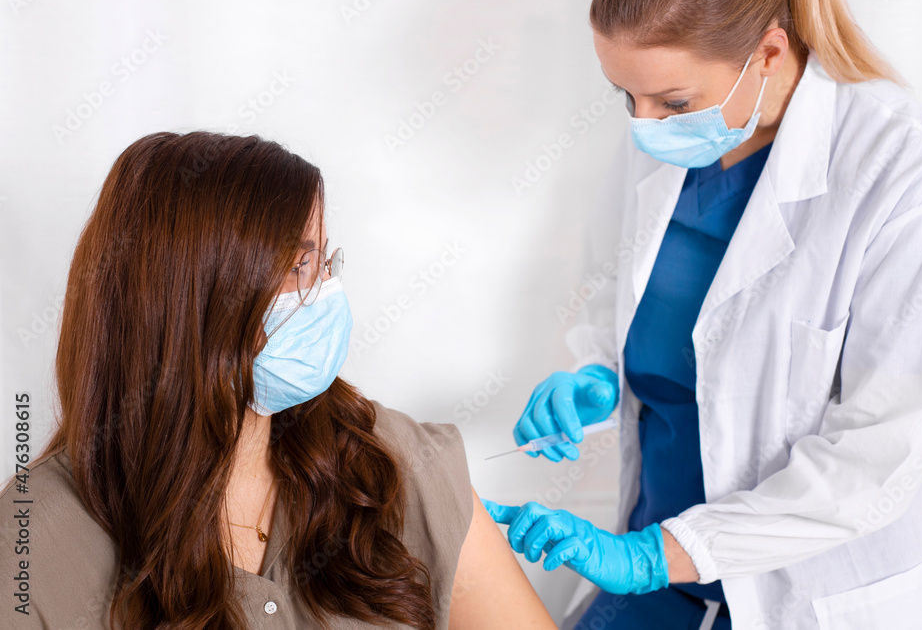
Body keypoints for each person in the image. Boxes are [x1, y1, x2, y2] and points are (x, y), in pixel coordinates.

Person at [483, 0, 922, 628]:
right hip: (653, 564)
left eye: (672, 103)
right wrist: (599, 372)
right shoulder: (672, 134)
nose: (644, 126)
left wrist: (664, 553)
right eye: (627, 97)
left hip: (803, 589)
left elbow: (881, 450)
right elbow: (620, 288)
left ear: (768, 53)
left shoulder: (901, 171)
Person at [0, 131, 559, 629]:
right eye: (296, 266)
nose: (325, 292)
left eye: (321, 262)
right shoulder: (33, 542)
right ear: (189, 300)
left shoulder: (395, 465)